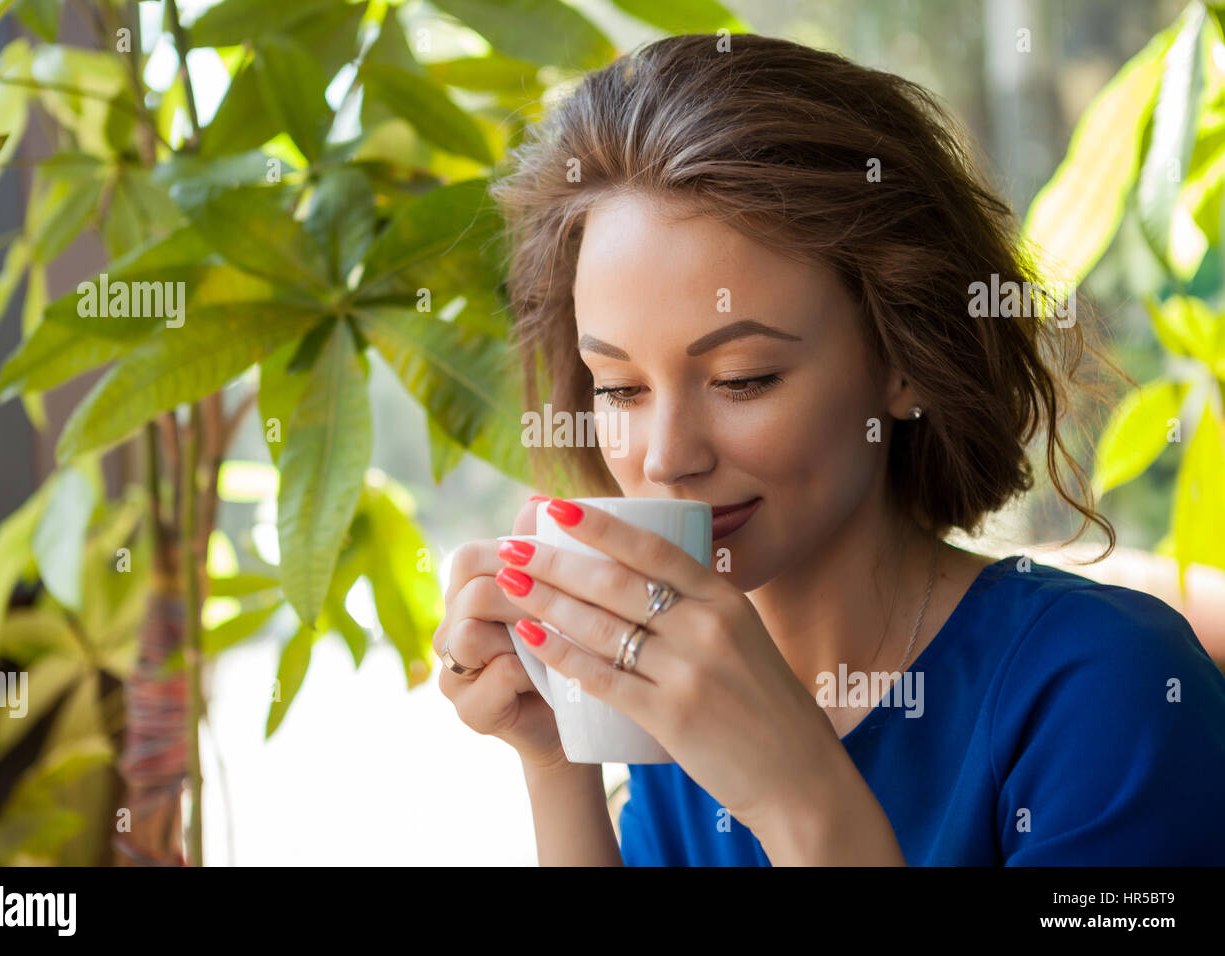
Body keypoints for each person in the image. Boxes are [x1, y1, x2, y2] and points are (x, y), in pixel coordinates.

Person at [434, 33, 1225, 865]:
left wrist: (799, 797)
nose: (666, 457)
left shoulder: (1110, 691)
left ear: (902, 363)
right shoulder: (675, 710)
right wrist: (559, 755)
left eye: (743, 378)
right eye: (621, 388)